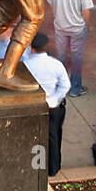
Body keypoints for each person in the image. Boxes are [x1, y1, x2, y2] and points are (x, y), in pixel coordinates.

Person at [46, 0, 94, 97]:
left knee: (60, 56)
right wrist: (89, 25)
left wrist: (57, 18)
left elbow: (51, 3)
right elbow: (86, 10)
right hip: (77, 28)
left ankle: (60, 85)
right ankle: (74, 88)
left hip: (60, 26)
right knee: (76, 59)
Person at [24, 32, 70, 176]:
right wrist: (54, 99)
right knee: (54, 136)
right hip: (53, 107)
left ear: (32, 48)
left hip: (32, 107)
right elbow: (65, 85)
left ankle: (35, 167)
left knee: (32, 137)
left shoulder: (26, 65)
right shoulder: (56, 65)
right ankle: (53, 168)